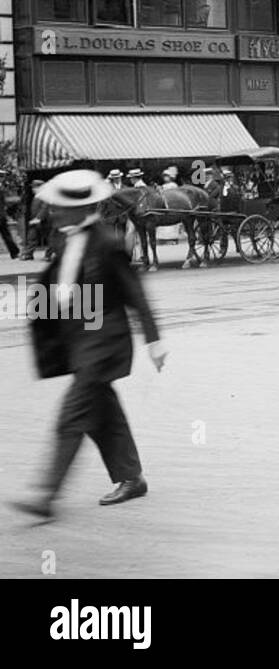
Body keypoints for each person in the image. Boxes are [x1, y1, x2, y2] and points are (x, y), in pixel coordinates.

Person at [9, 170, 166, 521]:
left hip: (104, 338)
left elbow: (135, 293)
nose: (58, 212)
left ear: (84, 209)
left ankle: (46, 494)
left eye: (64, 208)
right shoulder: (64, 239)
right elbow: (62, 285)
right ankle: (131, 477)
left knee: (75, 411)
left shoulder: (109, 243)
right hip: (79, 337)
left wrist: (155, 339)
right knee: (101, 410)